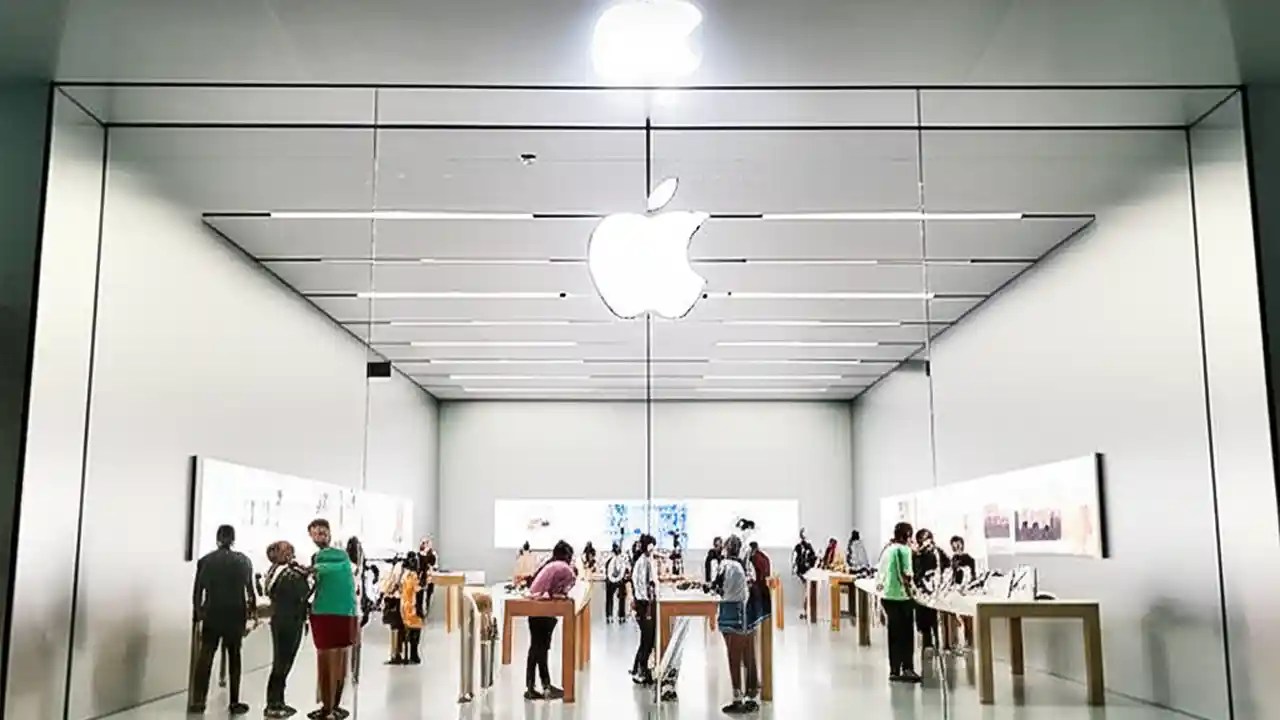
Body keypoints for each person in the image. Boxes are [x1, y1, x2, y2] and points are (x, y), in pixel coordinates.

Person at [189, 524, 255, 716]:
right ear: (233, 539)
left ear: (217, 538)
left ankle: (199, 701)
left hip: (213, 612)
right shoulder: (243, 561)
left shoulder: (206, 561)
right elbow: (250, 592)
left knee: (206, 657)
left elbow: (197, 591)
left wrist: (199, 613)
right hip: (235, 614)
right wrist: (251, 614)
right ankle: (234, 701)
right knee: (234, 657)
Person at [308, 518, 358, 720]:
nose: (320, 536)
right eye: (316, 533)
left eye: (322, 532)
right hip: (346, 613)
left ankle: (327, 707)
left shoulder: (319, 558)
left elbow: (315, 580)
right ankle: (333, 706)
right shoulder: (343, 557)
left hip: (325, 613)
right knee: (340, 659)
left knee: (326, 659)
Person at [263, 541, 310, 719]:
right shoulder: (288, 574)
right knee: (282, 663)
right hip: (289, 621)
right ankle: (273, 704)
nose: (292, 553)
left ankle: (278, 701)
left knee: (282, 663)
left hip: (283, 620)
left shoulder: (275, 572)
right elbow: (304, 593)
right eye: (287, 550)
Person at [524, 540, 576, 700]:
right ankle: (542, 686)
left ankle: (537, 686)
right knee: (541, 647)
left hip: (535, 607)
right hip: (545, 610)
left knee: (536, 647)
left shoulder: (548, 565)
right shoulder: (565, 569)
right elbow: (563, 589)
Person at [716, 536, 760, 714]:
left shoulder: (726, 565)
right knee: (748, 656)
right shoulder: (742, 565)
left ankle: (738, 698)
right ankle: (752, 695)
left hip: (732, 613)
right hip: (746, 611)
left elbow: (718, 588)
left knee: (734, 657)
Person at [879, 522, 920, 684]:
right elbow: (907, 575)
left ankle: (894, 669)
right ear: (907, 535)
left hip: (887, 596)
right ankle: (907, 668)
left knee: (894, 634)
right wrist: (914, 592)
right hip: (902, 597)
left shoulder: (888, 549)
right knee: (907, 635)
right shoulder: (904, 550)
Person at [912, 528, 949, 652]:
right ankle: (927, 643)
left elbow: (946, 566)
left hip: (935, 590)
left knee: (935, 617)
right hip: (922, 590)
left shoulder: (937, 552)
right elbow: (915, 571)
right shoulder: (917, 554)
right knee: (924, 619)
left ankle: (939, 643)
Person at [630, 534, 658, 685]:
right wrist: (648, 604)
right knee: (647, 639)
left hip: (644, 603)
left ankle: (639, 669)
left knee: (646, 639)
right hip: (643, 604)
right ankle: (641, 671)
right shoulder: (643, 562)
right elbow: (642, 586)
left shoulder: (646, 560)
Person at [379, 556, 406, 665]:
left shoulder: (392, 570)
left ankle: (395, 654)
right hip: (400, 600)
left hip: (393, 600)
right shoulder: (402, 570)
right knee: (399, 628)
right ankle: (398, 652)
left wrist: (385, 593)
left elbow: (386, 586)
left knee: (395, 628)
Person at [399, 552, 425, 665]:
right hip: (413, 606)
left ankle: (407, 653)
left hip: (404, 605)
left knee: (407, 630)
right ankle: (414, 654)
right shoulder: (413, 576)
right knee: (416, 630)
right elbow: (417, 589)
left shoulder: (404, 575)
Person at [791, 530, 817, 620]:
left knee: (807, 591)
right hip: (803, 572)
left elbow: (813, 557)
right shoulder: (799, 547)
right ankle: (807, 611)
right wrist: (795, 569)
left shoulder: (808, 547)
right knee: (806, 591)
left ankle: (808, 611)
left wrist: (809, 565)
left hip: (807, 572)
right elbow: (794, 559)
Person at [604, 542, 628, 624]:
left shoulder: (609, 560)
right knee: (621, 598)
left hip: (610, 581)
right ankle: (621, 616)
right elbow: (625, 571)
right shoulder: (622, 560)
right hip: (620, 581)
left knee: (609, 598)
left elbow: (607, 572)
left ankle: (609, 616)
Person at [418, 538, 438, 618]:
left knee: (429, 593)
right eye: (424, 543)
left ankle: (427, 609)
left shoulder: (432, 554)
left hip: (429, 575)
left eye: (428, 543)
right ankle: (420, 612)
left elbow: (434, 564)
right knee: (420, 594)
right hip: (421, 576)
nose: (426, 545)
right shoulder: (419, 554)